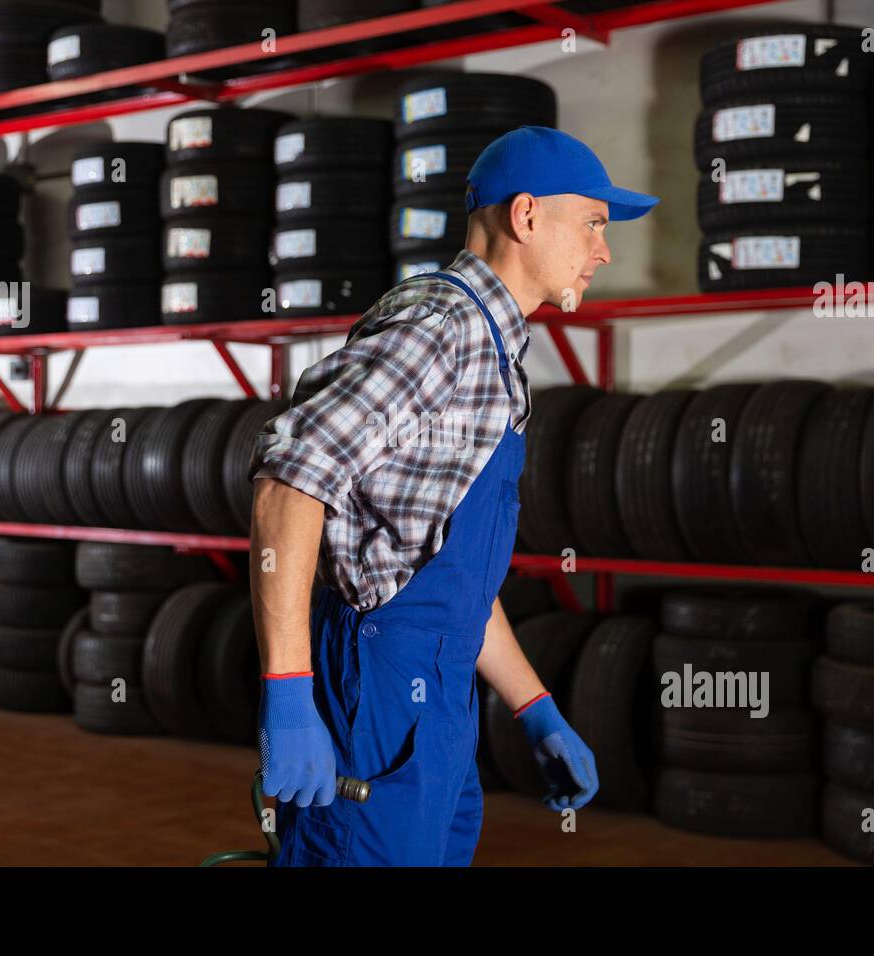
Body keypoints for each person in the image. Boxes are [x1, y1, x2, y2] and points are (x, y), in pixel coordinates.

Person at [247, 125, 659, 866]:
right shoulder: (443, 329)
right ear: (527, 216)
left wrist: (535, 708)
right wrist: (288, 690)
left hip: (437, 706)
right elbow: (289, 478)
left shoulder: (500, 350)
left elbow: (445, 569)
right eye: (594, 224)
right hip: (379, 695)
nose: (604, 251)